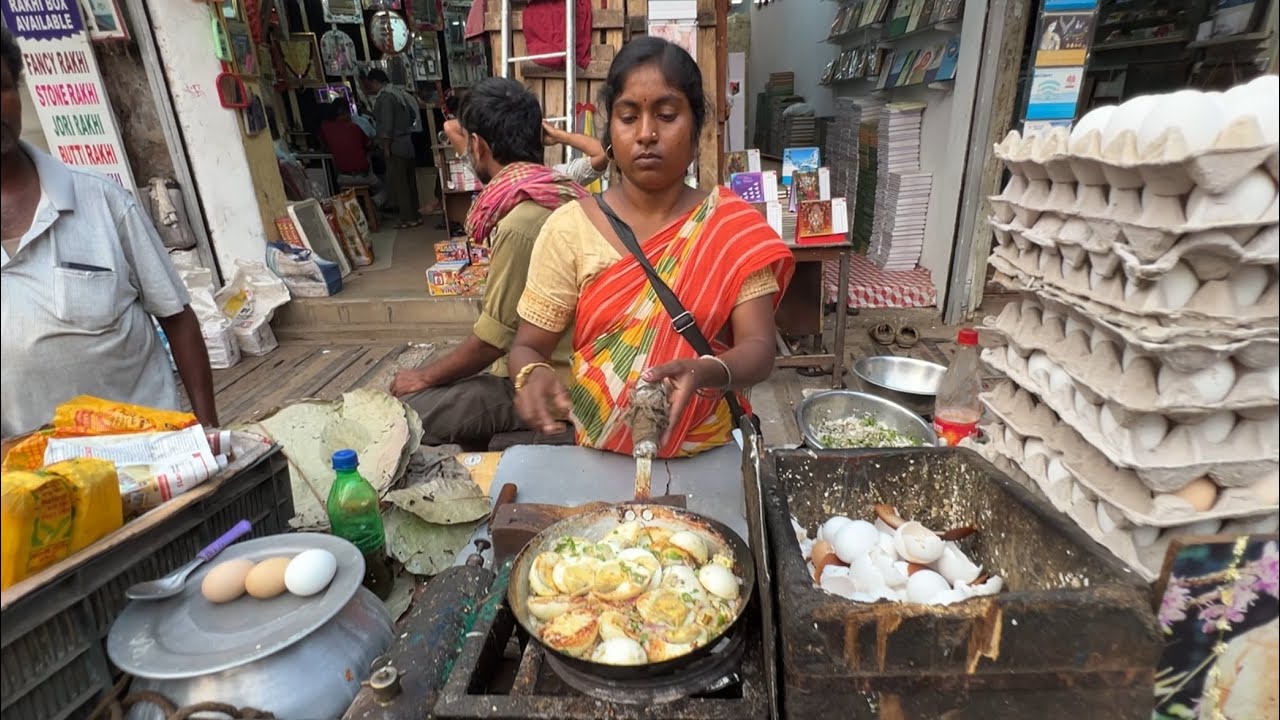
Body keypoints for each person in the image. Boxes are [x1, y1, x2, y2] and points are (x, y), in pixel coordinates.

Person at [510, 37, 795, 459]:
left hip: (707, 453)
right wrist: (530, 376)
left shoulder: (730, 228)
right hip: (598, 458)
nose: (646, 134)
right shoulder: (568, 230)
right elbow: (528, 346)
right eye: (628, 117)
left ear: (695, 128)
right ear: (611, 130)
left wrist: (704, 372)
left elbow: (759, 348)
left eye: (666, 115)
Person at [0, 28, 218, 438]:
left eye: (0, 87)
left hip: (144, 456)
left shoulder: (103, 201)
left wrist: (207, 432)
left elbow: (177, 316)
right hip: (31, 481)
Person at [388, 77, 585, 448]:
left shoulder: (522, 221)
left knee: (406, 413)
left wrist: (425, 376)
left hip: (548, 382)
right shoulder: (558, 190)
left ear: (477, 147)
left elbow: (492, 342)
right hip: (540, 366)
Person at [363, 69, 421, 229]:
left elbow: (387, 125)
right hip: (407, 141)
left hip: (395, 143)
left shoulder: (385, 98)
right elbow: (412, 115)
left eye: (370, 85)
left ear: (375, 82)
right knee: (409, 181)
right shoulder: (399, 93)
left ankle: (407, 218)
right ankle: (415, 214)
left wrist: (386, 147)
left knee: (399, 182)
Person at [318, 99, 383, 203]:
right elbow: (369, 145)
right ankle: (373, 204)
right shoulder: (354, 127)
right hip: (364, 177)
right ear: (346, 112)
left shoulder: (325, 128)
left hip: (342, 178)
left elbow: (324, 146)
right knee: (384, 188)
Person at [543, 121, 610, 186]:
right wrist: (559, 136)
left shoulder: (552, 179)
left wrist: (557, 136)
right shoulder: (551, 180)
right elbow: (602, 153)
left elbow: (602, 153)